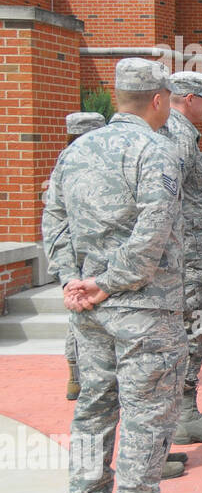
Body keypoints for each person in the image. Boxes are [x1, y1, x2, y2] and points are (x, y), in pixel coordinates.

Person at [42, 57, 196, 493]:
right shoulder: (157, 151)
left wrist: (73, 280)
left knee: (92, 408)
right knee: (148, 414)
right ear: (158, 101)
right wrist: (106, 284)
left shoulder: (76, 151)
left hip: (89, 308)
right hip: (143, 308)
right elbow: (152, 233)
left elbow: (55, 221)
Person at [160, 71, 202, 445]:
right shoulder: (180, 136)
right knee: (195, 324)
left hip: (181, 251)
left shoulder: (165, 131)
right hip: (183, 255)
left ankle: (178, 412)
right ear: (188, 98)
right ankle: (183, 412)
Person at [54, 111, 106, 402]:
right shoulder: (92, 159)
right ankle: (83, 374)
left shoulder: (63, 161)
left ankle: (75, 374)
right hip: (91, 256)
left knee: (76, 316)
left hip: (71, 257)